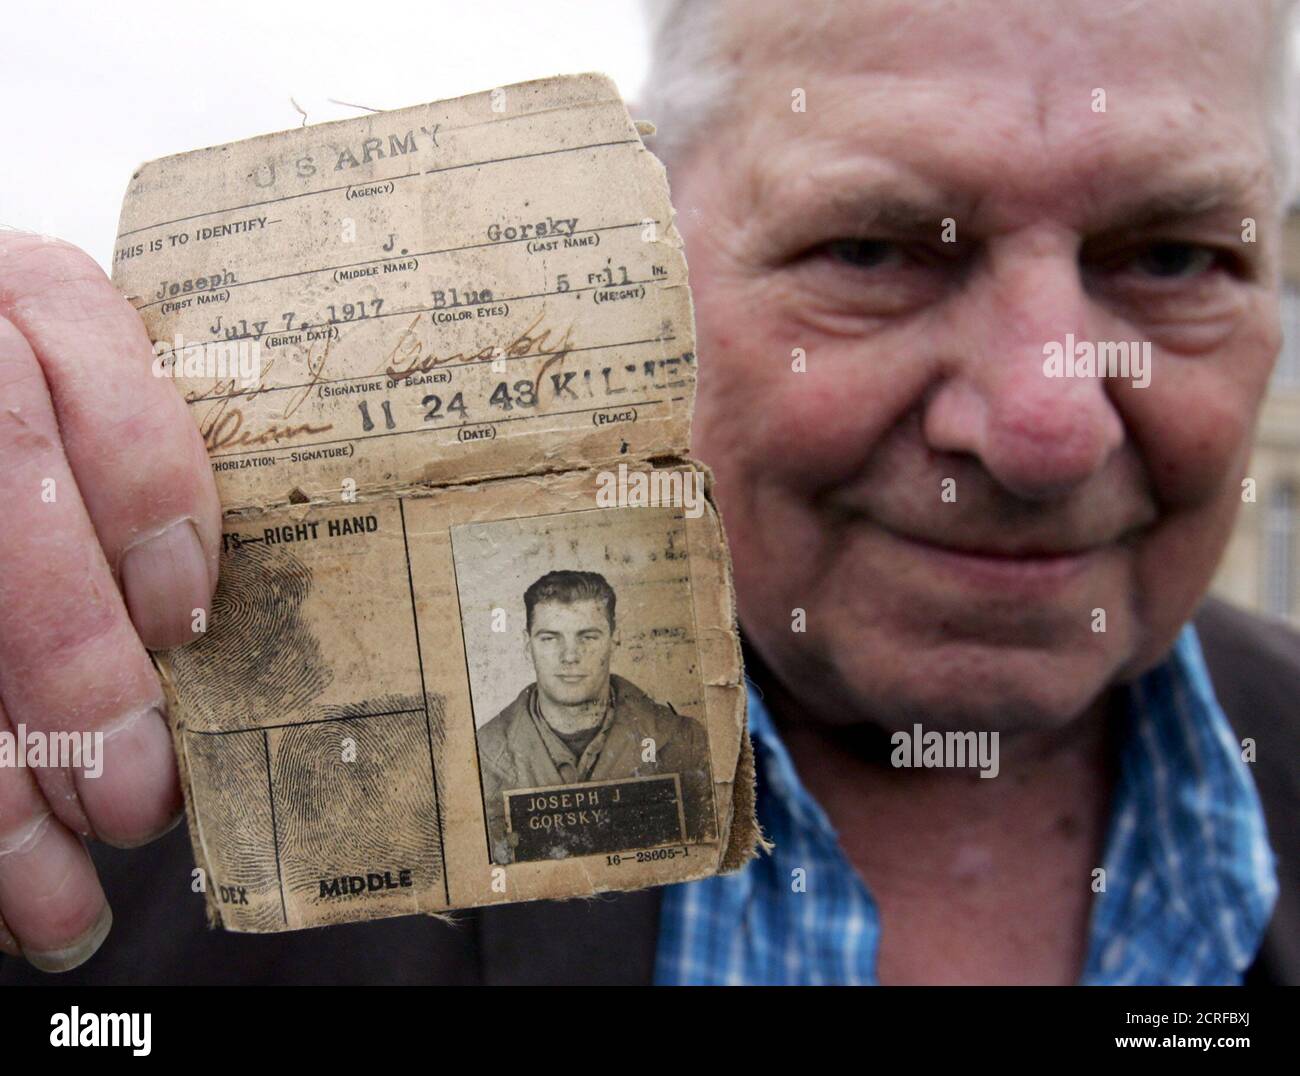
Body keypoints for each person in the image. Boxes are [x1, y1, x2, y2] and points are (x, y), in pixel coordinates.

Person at [0, 0, 1297, 984]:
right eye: (871, 250)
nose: (1043, 428)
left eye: (1176, 258)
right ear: (642, 248)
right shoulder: (143, 788)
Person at [476, 570, 712, 863]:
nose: (570, 656)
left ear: (615, 639)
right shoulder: (478, 762)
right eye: (550, 638)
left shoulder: (684, 744)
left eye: (587, 636)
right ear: (528, 646)